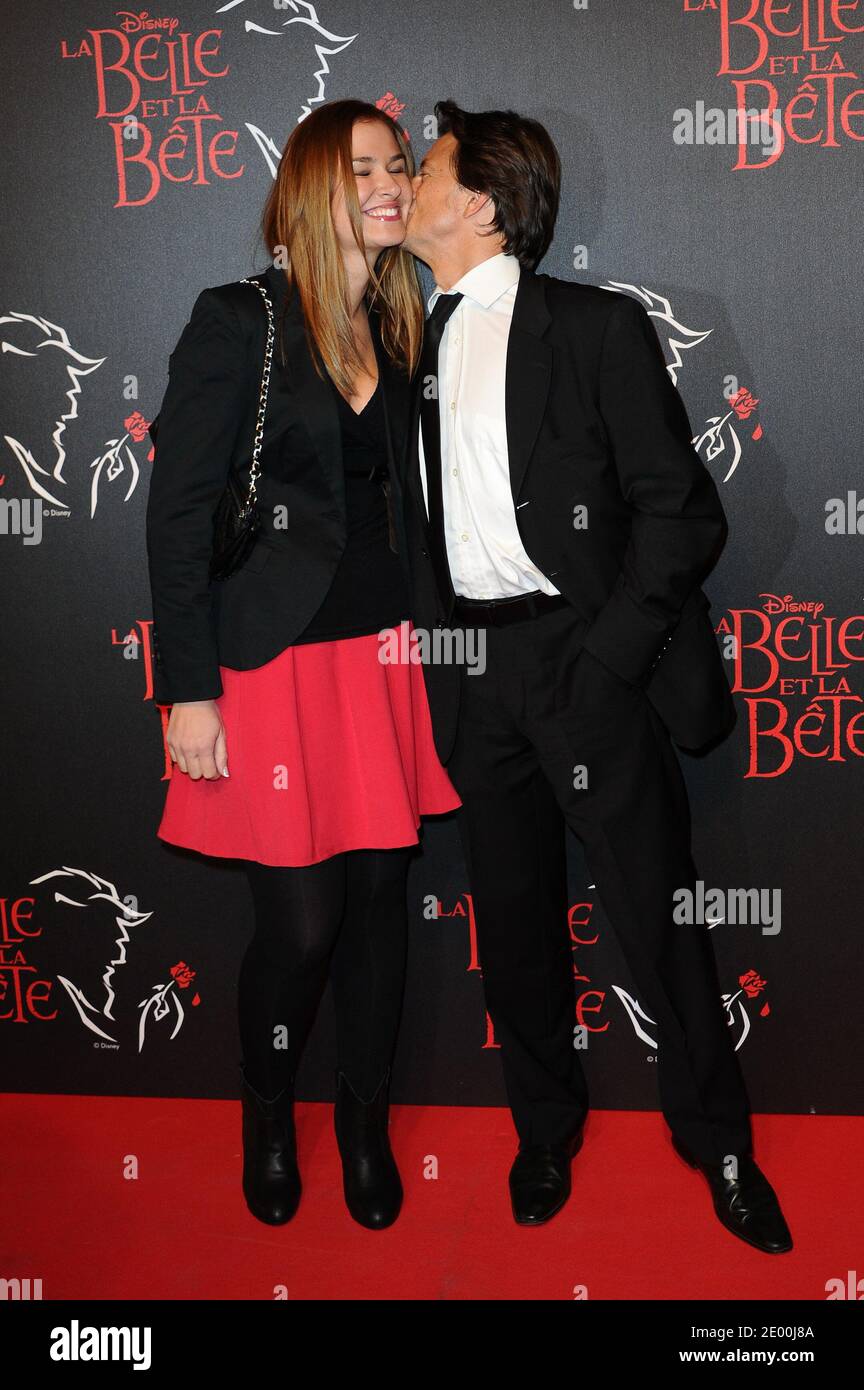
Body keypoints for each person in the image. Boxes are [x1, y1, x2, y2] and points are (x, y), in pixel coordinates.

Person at [398, 99, 793, 1253]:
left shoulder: (596, 328)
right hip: (475, 677)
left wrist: (611, 661)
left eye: (425, 169)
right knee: (515, 925)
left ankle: (722, 1148)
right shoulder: (407, 340)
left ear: (477, 201)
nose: (407, 186)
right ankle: (544, 1133)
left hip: (589, 660)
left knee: (660, 919)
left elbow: (682, 512)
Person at [145, 99, 461, 1231]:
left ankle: (365, 1123)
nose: (390, 186)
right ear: (311, 187)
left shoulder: (407, 318)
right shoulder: (239, 321)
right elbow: (179, 516)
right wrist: (187, 687)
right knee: (302, 926)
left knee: (382, 905)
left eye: (399, 167)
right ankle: (268, 1112)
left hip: (385, 662)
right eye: (365, 168)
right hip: (272, 672)